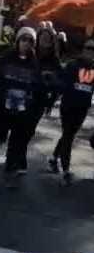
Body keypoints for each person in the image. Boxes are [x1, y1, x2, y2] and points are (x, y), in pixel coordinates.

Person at [0, 27, 45, 189]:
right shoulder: (7, 58)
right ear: (18, 41)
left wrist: (35, 102)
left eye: (30, 41)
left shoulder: (35, 64)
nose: (26, 43)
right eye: (24, 39)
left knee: (16, 141)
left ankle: (9, 171)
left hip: (22, 110)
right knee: (0, 136)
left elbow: (38, 87)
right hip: (4, 107)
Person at [47, 39, 94, 186]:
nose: (91, 52)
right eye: (88, 48)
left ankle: (54, 158)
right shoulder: (72, 65)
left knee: (69, 135)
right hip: (68, 107)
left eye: (93, 49)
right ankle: (66, 170)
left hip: (82, 109)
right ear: (83, 49)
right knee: (68, 136)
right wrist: (50, 103)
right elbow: (60, 85)